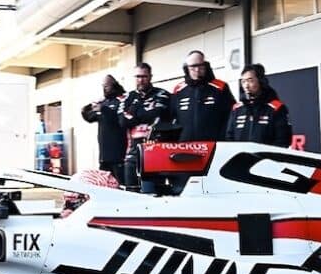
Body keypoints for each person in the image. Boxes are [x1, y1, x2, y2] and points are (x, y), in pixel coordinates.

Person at [118, 62, 172, 191]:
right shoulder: (127, 97)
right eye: (137, 77)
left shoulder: (162, 94)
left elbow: (157, 113)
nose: (140, 80)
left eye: (144, 76)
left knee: (153, 194)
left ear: (150, 77)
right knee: (131, 194)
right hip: (132, 155)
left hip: (155, 153)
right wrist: (145, 112)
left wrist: (134, 113)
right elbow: (122, 121)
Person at [170, 50, 235, 141]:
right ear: (187, 68)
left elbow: (231, 117)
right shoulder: (178, 90)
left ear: (205, 66)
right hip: (184, 146)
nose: (197, 70)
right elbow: (172, 119)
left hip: (213, 145)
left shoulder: (220, 87)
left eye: (200, 66)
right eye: (193, 67)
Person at [225, 64, 292, 146]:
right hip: (241, 158)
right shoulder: (237, 109)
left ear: (261, 81)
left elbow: (283, 140)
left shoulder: (276, 108)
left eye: (250, 80)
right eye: (243, 81)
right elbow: (229, 137)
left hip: (266, 158)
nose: (246, 85)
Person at [80, 74, 127, 183]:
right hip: (104, 155)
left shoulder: (121, 101)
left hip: (118, 154)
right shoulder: (104, 102)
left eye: (107, 86)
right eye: (103, 86)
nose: (104, 88)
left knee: (121, 184)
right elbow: (90, 117)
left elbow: (118, 119)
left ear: (114, 85)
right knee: (104, 184)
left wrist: (104, 109)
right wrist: (88, 107)